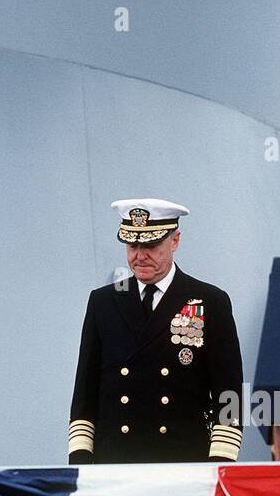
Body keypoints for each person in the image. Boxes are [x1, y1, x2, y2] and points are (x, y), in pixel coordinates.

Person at [67, 199, 243, 464]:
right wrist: (80, 461)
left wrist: (220, 462)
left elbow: (229, 395)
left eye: (151, 245)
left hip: (184, 464)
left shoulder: (209, 301)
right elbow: (85, 392)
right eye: (132, 245)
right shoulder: (103, 302)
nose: (139, 256)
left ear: (175, 241)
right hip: (114, 465)